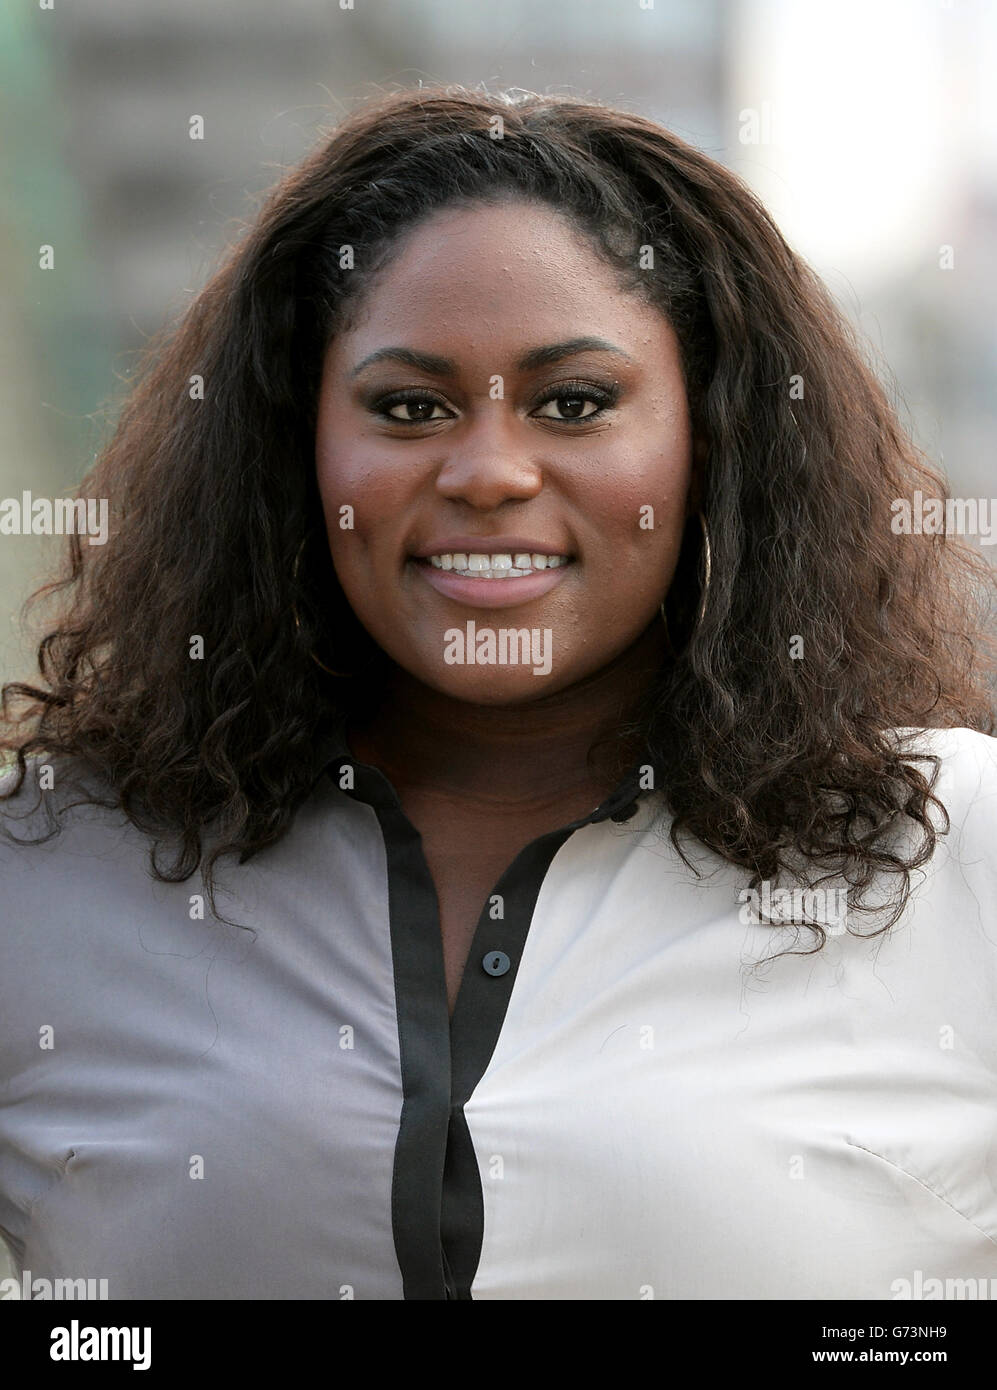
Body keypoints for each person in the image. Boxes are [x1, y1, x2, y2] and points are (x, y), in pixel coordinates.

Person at [1, 85, 996, 1302]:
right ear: (294, 444)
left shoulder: (960, 854)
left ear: (715, 440)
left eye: (573, 402)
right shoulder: (44, 870)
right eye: (408, 407)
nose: (488, 471)